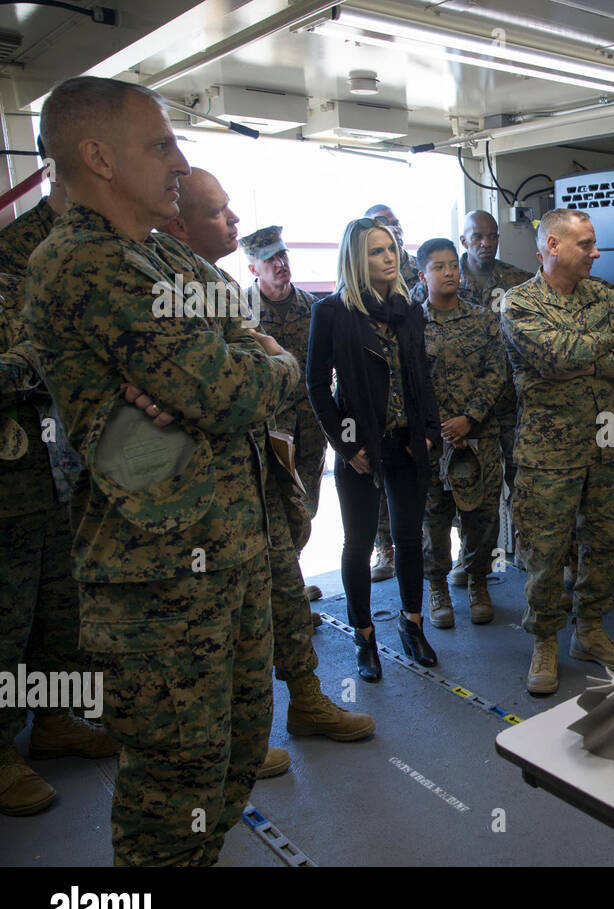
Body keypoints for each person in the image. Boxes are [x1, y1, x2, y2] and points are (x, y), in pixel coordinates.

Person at [24, 77, 299, 866]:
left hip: (228, 554)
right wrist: (259, 366)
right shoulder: (84, 264)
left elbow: (236, 346)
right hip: (159, 582)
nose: (178, 161)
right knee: (173, 787)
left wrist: (244, 358)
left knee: (238, 754)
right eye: (160, 145)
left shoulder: (159, 251)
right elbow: (229, 388)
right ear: (98, 157)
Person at [162, 171, 375, 779]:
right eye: (220, 213)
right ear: (179, 221)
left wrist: (264, 366)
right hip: (209, 487)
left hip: (267, 468)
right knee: (226, 618)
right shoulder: (173, 285)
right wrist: (271, 363)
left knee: (284, 590)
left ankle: (305, 701)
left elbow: (261, 372)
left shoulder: (221, 287)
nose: (232, 221)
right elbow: (228, 386)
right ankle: (231, 739)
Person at [502, 208, 614, 694]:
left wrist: (581, 363)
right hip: (549, 450)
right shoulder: (519, 303)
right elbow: (554, 354)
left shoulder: (607, 295)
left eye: (593, 244)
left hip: (607, 443)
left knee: (608, 543)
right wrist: (593, 356)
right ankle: (545, 638)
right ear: (552, 246)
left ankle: (589, 631)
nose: (595, 252)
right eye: (585, 244)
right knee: (546, 550)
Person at [1, 184, 119, 816]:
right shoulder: (13, 259)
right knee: (6, 621)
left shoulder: (89, 254)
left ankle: (55, 720)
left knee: (60, 606)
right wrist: (41, 354)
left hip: (62, 470)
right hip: (11, 484)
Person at [307, 217, 440, 682]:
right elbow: (318, 386)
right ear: (356, 260)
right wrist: (346, 445)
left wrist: (428, 430)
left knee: (409, 539)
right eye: (376, 252)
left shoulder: (409, 308)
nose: (389, 258)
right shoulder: (331, 312)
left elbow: (421, 375)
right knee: (358, 545)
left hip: (407, 443)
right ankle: (364, 637)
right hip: (361, 445)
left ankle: (412, 624)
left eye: (391, 249)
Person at [418, 237, 507, 628]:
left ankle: (476, 581)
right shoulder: (410, 327)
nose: (449, 271)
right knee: (434, 517)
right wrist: (438, 426)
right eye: (438, 266)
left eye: (453, 264)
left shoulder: (483, 320)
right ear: (422, 275)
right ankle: (436, 586)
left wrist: (469, 418)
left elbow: (497, 373)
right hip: (432, 441)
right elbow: (405, 384)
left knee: (482, 516)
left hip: (478, 437)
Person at [457, 210, 534, 581]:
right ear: (464, 241)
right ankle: (471, 561)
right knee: (470, 488)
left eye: (492, 236)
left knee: (523, 479)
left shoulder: (518, 281)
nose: (486, 243)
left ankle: (529, 553)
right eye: (477, 237)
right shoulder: (443, 279)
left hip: (512, 402)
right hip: (467, 405)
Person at [241, 225, 329, 519]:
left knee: (306, 510)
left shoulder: (313, 307)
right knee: (274, 512)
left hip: (311, 427)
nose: (280, 264)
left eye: (282, 255)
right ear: (254, 267)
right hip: (269, 429)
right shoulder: (240, 311)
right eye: (270, 259)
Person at [361, 203, 417, 583]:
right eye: (381, 235)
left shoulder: (413, 269)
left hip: (410, 406)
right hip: (371, 412)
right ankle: (385, 547)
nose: (389, 246)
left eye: (394, 230)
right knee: (377, 494)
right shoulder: (355, 287)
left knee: (415, 506)